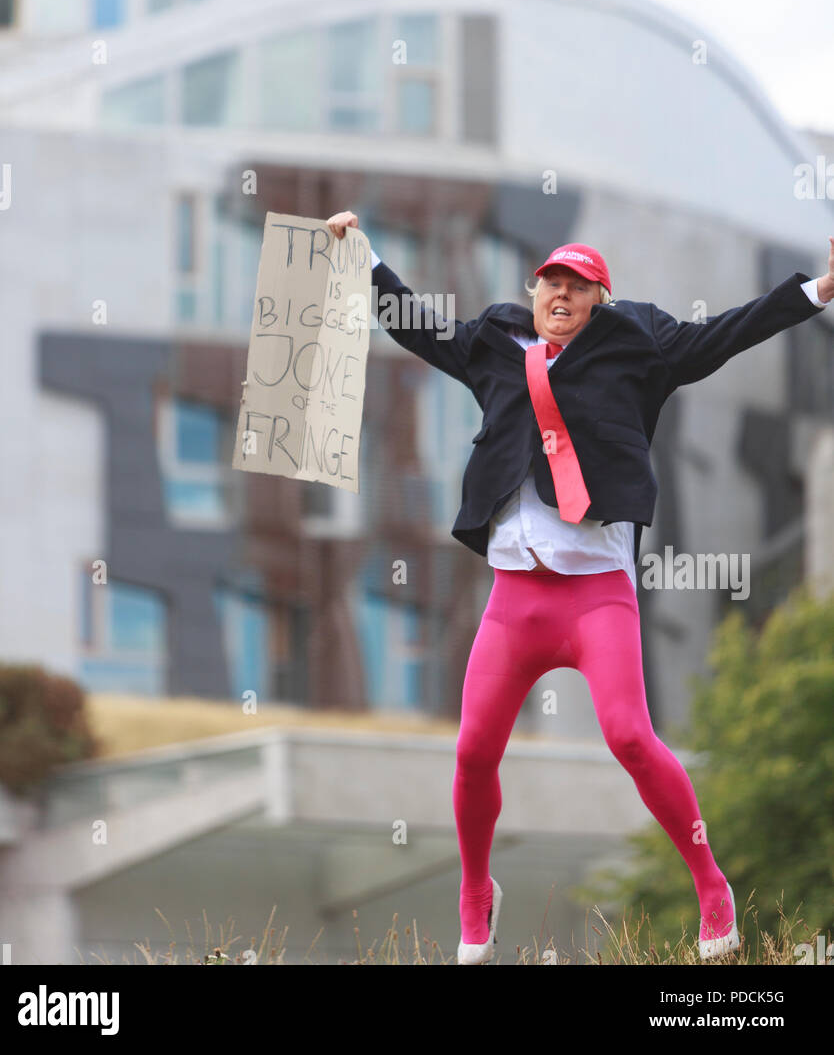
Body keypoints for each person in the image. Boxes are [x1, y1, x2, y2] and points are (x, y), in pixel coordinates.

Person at [327, 210, 834, 965]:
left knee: (629, 736)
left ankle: (710, 883)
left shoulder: (639, 344)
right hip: (515, 599)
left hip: (597, 592)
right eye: (551, 283)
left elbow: (724, 334)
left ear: (600, 298)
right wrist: (365, 261)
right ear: (533, 291)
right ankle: (476, 892)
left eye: (577, 286)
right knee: (473, 751)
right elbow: (420, 329)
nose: (560, 295)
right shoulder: (494, 343)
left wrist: (819, 289)